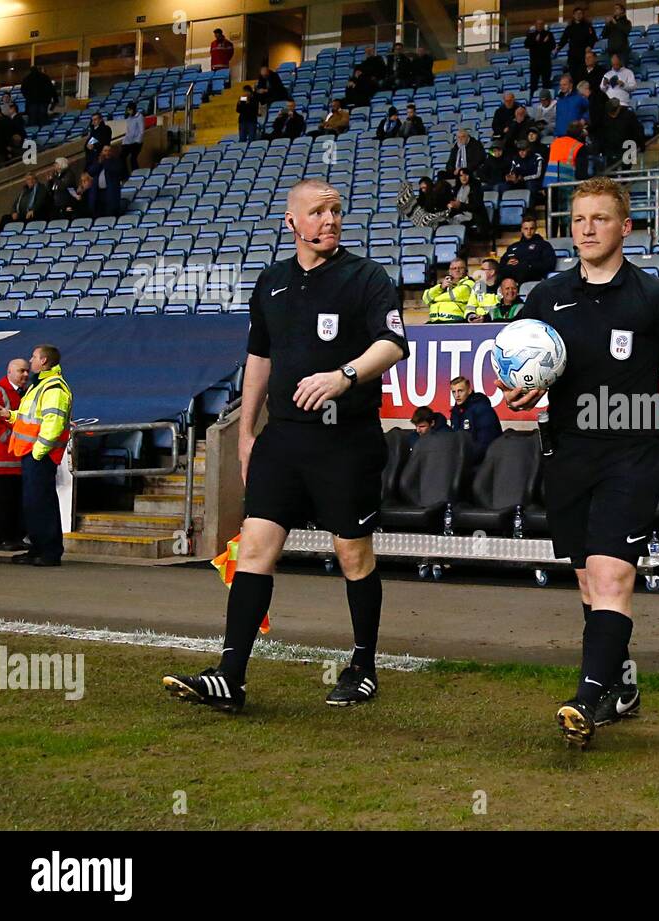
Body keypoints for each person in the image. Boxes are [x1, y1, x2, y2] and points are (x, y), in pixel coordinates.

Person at [502, 176, 659, 747]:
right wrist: (525, 391)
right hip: (566, 457)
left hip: (630, 456)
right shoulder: (546, 297)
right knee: (589, 581)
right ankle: (621, 684)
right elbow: (525, 370)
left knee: (613, 575)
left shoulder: (656, 298)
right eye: (579, 219)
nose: (586, 229)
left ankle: (587, 698)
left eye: (599, 219)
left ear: (624, 227)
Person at [161, 178, 410, 713]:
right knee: (253, 549)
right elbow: (259, 359)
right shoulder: (271, 282)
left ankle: (363, 666)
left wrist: (344, 376)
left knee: (352, 553)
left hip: (347, 440)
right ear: (291, 222)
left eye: (337, 211)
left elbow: (393, 344)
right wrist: (247, 433)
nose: (330, 220)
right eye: (318, 212)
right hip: (283, 440)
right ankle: (230, 675)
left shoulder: (366, 277)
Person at [0, 345, 72, 567]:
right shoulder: (42, 385)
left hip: (39, 456)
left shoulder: (53, 388)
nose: (31, 361)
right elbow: (31, 417)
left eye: (34, 357)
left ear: (44, 360)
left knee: (40, 504)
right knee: (35, 504)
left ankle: (47, 552)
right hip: (33, 455)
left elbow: (53, 424)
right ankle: (39, 549)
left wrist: (38, 452)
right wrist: (9, 415)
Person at [0, 358, 30, 557]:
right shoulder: (0, 389)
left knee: (15, 502)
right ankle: (2, 538)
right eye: (21, 371)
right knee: (0, 502)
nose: (25, 375)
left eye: (27, 371)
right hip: (0, 459)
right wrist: (13, 439)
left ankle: (14, 537)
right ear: (10, 371)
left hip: (18, 459)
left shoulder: (25, 393)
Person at [448, 376, 503, 466]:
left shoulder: (483, 409)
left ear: (469, 391)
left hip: (483, 466)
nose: (457, 395)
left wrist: (463, 459)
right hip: (464, 465)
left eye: (460, 391)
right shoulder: (455, 413)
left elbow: (486, 443)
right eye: (454, 392)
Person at [499, 214, 557, 284]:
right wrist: (507, 263)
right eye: (526, 229)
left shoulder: (544, 245)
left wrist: (526, 264)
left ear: (535, 229)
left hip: (532, 278)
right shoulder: (513, 246)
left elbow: (550, 264)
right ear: (522, 230)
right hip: (510, 279)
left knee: (522, 269)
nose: (529, 231)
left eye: (531, 228)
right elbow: (502, 264)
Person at [422, 257, 478, 322]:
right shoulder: (443, 285)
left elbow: (454, 295)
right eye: (454, 268)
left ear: (466, 270)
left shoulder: (469, 283)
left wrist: (434, 299)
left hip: (455, 321)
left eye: (460, 268)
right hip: (435, 321)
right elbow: (425, 297)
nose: (457, 270)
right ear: (450, 271)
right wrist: (441, 287)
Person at [598, 99, 644, 173]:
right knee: (611, 172)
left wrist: (641, 145)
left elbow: (638, 131)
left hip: (628, 146)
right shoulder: (603, 117)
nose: (613, 115)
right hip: (610, 149)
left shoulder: (629, 115)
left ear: (619, 107)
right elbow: (601, 133)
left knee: (626, 171)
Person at [557, 6, 598, 79]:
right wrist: (558, 48)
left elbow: (593, 38)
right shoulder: (569, 28)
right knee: (573, 75)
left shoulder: (588, 26)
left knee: (584, 75)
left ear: (583, 15)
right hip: (573, 55)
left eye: (580, 13)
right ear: (573, 15)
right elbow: (564, 39)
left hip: (584, 54)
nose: (578, 15)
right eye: (576, 13)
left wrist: (590, 46)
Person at [88, 143, 124, 218]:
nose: (107, 153)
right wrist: (99, 163)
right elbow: (91, 172)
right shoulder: (98, 161)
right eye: (105, 151)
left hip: (110, 192)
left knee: (109, 213)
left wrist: (105, 162)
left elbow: (115, 171)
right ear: (101, 152)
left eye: (109, 151)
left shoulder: (116, 161)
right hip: (98, 193)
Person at [447, 166, 487, 232]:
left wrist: (460, 205)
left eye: (466, 175)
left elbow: (476, 206)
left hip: (474, 217)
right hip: (460, 214)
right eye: (461, 175)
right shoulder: (457, 189)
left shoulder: (475, 188)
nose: (464, 177)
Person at [525, 19, 556, 95]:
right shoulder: (531, 35)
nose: (540, 26)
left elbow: (553, 46)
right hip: (534, 63)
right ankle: (532, 97)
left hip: (546, 63)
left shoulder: (549, 34)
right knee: (533, 83)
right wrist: (536, 41)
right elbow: (526, 45)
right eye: (538, 24)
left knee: (546, 82)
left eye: (541, 24)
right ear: (535, 25)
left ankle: (548, 98)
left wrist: (545, 43)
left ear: (544, 25)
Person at [121, 102, 144, 174]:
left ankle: (136, 174)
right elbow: (128, 131)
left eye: (130, 110)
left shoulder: (139, 117)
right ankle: (125, 174)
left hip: (136, 142)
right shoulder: (128, 118)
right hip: (128, 141)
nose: (129, 112)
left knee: (133, 158)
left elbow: (141, 130)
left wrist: (138, 141)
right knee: (122, 157)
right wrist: (124, 141)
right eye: (128, 110)